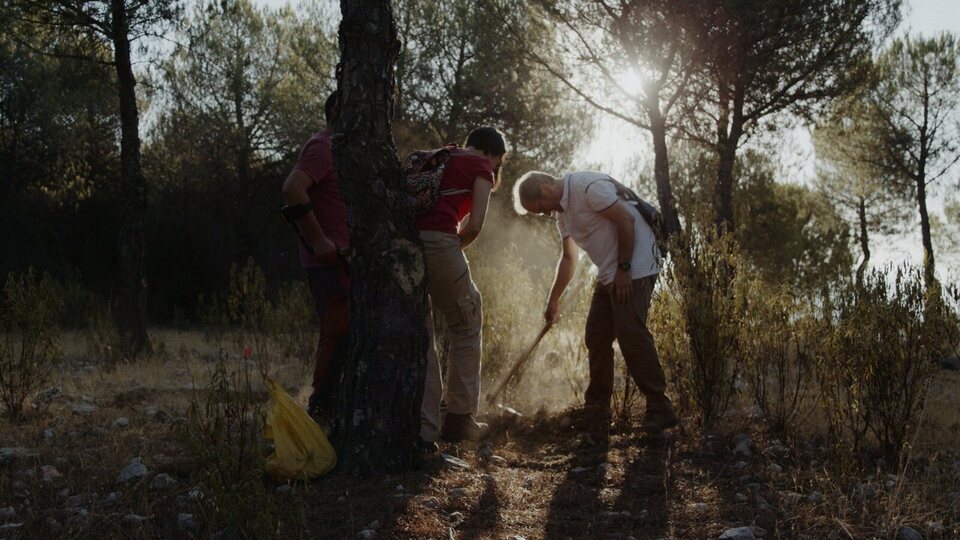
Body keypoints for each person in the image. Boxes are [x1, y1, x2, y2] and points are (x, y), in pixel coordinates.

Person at [512, 170, 678, 433]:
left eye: (540, 209)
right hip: (610, 270)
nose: (544, 214)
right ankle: (597, 408)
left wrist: (625, 269)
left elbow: (626, 221)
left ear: (544, 189)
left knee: (630, 333)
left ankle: (660, 408)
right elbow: (569, 258)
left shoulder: (586, 187)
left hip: (637, 264)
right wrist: (553, 298)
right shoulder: (562, 214)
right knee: (596, 335)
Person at [417, 126, 507, 443]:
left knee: (422, 336)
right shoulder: (480, 164)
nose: (495, 170)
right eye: (498, 164)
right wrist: (455, 247)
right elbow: (476, 224)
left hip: (404, 246)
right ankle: (459, 420)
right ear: (493, 154)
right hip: (441, 243)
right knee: (467, 319)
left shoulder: (437, 157)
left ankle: (424, 430)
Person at [280, 92, 349, 422]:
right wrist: (319, 239)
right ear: (337, 110)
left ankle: (333, 410)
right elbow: (293, 189)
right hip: (329, 263)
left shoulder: (344, 150)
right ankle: (321, 412)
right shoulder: (323, 145)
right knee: (337, 334)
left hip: (345, 261)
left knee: (347, 335)